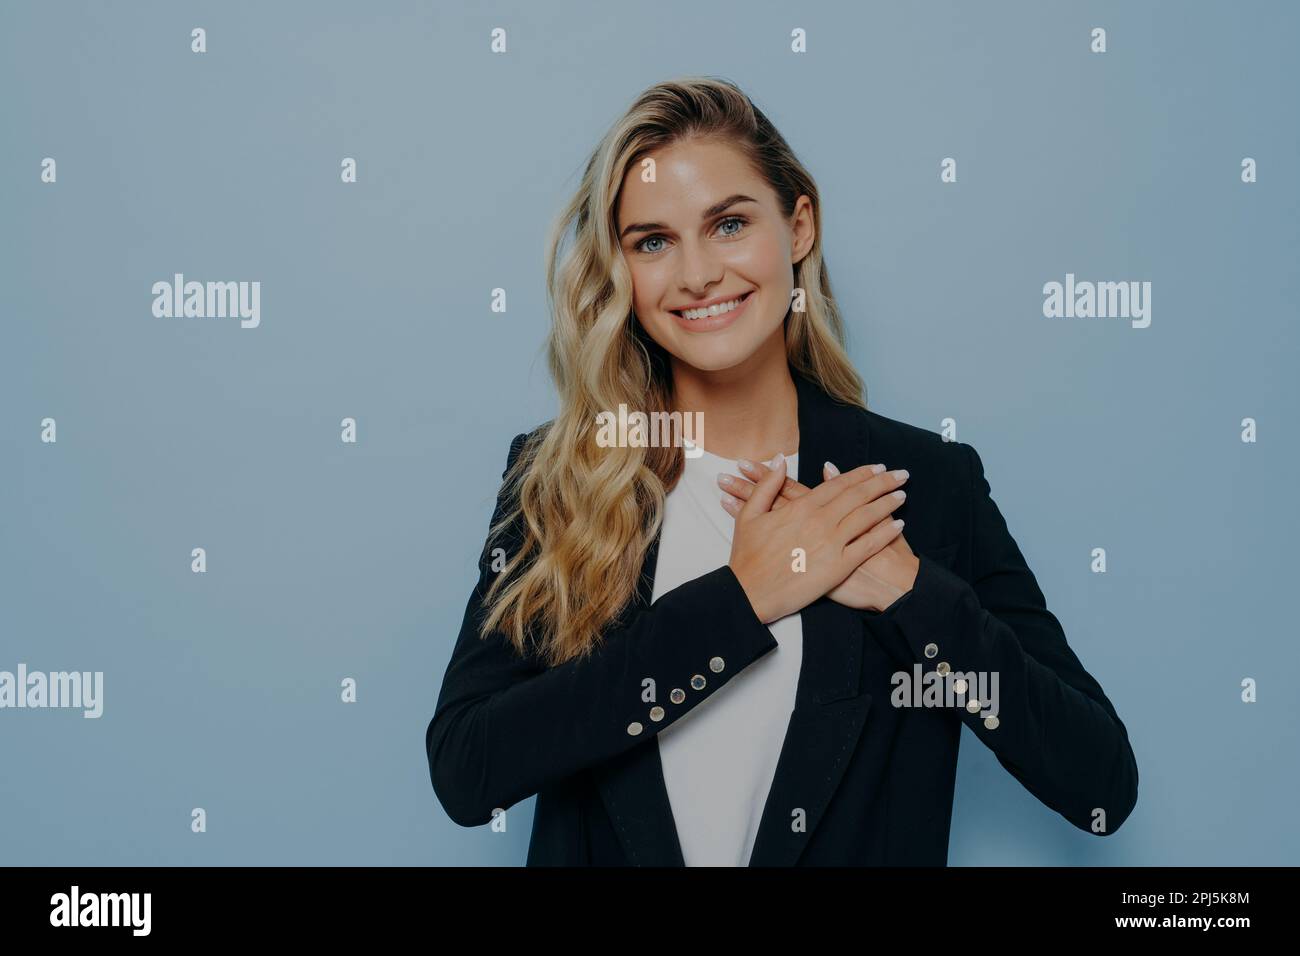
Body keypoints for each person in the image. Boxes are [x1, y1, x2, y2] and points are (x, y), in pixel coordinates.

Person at [425, 76, 1138, 866]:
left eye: (729, 224)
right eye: (653, 241)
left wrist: (914, 596)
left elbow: (1100, 784)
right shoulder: (560, 479)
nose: (697, 274)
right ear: (620, 267)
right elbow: (467, 771)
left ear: (798, 227)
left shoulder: (926, 484)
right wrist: (740, 600)